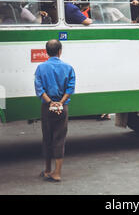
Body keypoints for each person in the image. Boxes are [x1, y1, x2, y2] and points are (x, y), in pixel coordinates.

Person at [34, 39, 76, 182]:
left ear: (46, 52)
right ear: (60, 51)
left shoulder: (40, 68)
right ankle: (56, 172)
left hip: (47, 107)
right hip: (62, 108)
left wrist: (51, 103)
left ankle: (47, 170)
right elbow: (70, 88)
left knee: (47, 137)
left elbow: (39, 90)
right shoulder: (68, 68)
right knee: (59, 138)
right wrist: (59, 103)